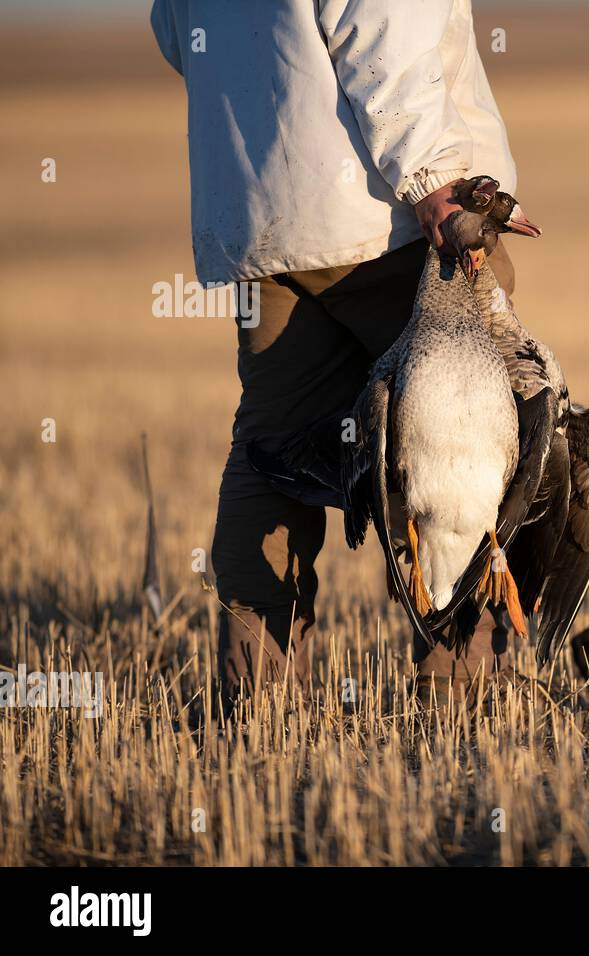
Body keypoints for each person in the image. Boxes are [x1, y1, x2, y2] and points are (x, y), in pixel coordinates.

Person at [150, 0, 522, 708]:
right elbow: (384, 22)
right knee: (467, 441)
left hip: (263, 222)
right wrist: (437, 179)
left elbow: (178, 34)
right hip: (388, 221)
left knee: (272, 452)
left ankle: (257, 707)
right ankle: (466, 695)